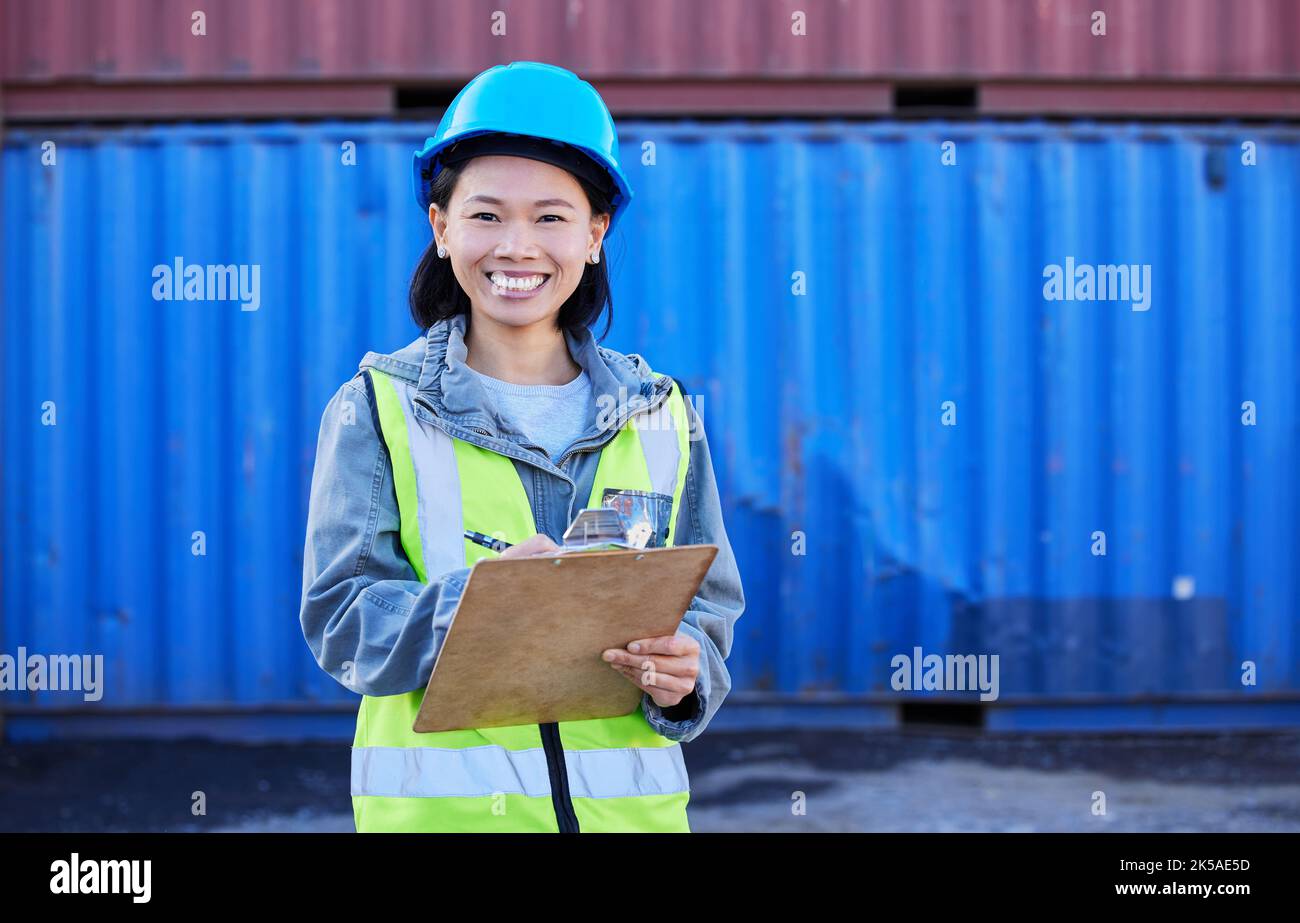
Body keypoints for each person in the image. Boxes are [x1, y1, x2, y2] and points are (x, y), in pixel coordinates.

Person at [299, 61, 744, 833]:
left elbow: (707, 606)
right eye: (486, 215)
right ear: (441, 229)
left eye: (550, 217)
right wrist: (478, 609)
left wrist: (688, 670)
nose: (517, 246)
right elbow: (340, 618)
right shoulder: (376, 408)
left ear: (595, 235)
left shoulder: (663, 412)